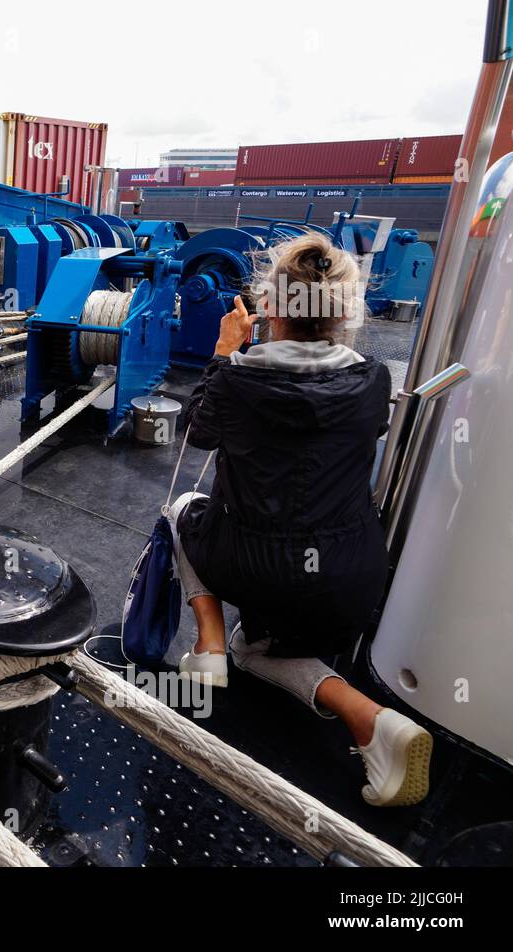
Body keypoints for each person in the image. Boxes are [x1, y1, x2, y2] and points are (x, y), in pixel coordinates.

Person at [169, 230, 432, 808]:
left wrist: (225, 350)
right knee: (262, 646)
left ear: (269, 308)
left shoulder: (239, 381)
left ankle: (209, 639)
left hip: (252, 567)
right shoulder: (373, 379)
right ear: (343, 314)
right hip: (350, 580)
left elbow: (196, 431)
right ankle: (373, 721)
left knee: (182, 510)